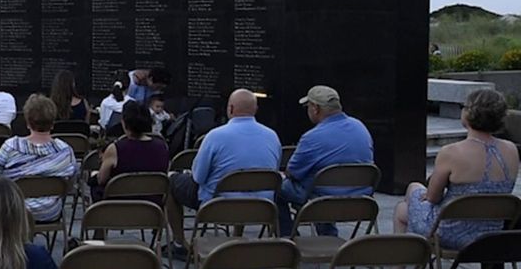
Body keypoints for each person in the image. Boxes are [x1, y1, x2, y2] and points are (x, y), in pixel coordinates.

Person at [397, 88, 520, 251]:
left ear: (469, 113)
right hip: (491, 234)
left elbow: (433, 198)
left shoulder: (451, 152)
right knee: (410, 207)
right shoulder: (511, 150)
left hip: (448, 234)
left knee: (406, 202)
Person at [166, 89, 281, 255]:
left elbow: (198, 177)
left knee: (170, 182)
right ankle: (236, 238)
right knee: (245, 183)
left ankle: (179, 243)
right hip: (262, 207)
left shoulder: (215, 136)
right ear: (255, 110)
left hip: (216, 206)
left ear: (231, 109)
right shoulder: (272, 136)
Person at [276, 85, 374, 237]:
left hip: (322, 201)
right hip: (361, 200)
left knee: (277, 186)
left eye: (308, 106)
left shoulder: (312, 137)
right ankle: (327, 234)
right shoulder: (360, 127)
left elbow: (292, 173)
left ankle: (288, 236)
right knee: (320, 184)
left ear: (315, 108)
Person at [0, 95, 78, 224]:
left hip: (14, 211)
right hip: (49, 212)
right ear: (52, 123)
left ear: (27, 122)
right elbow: (70, 185)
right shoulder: (65, 150)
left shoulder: (11, 146)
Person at [93, 100, 169, 202]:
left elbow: (101, 179)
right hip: (151, 205)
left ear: (124, 122)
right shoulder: (162, 147)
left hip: (118, 205)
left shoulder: (115, 148)